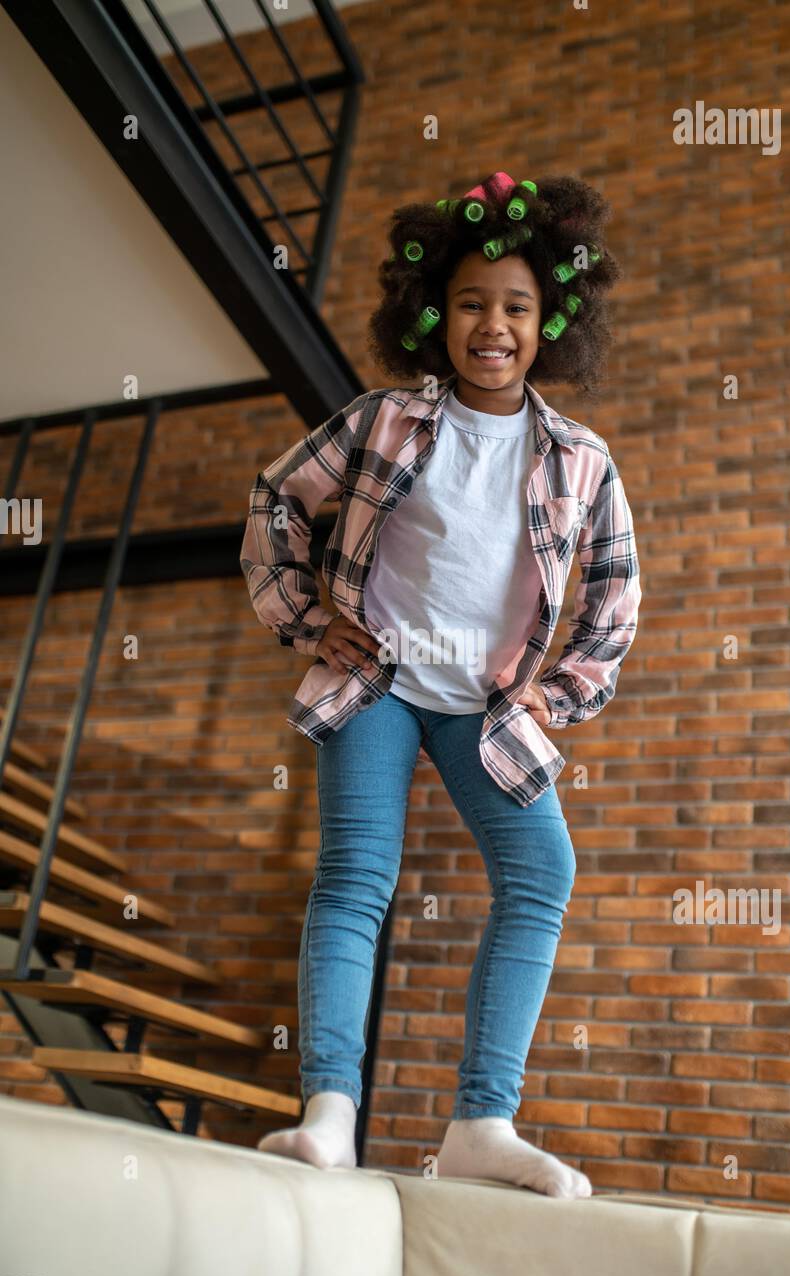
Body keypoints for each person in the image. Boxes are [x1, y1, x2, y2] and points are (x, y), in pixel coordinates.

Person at [240, 171, 641, 1199]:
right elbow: (279, 500)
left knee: (542, 875)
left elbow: (614, 597)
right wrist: (302, 615)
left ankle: (481, 1121)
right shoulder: (383, 421)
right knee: (354, 877)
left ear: (551, 321)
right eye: (471, 303)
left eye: (516, 307)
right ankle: (330, 1109)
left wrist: (561, 696)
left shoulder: (581, 460)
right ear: (435, 314)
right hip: (375, 683)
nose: (492, 325)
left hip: (490, 706)